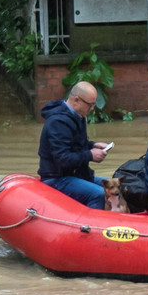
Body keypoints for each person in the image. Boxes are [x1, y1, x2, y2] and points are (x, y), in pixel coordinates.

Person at [36, 81, 109, 209]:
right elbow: (63, 158)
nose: (92, 108)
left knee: (113, 185)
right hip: (57, 178)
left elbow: (75, 145)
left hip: (76, 175)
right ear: (76, 100)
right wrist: (90, 155)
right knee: (99, 194)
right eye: (90, 105)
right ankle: (91, 221)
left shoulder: (77, 115)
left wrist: (92, 145)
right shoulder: (58, 122)